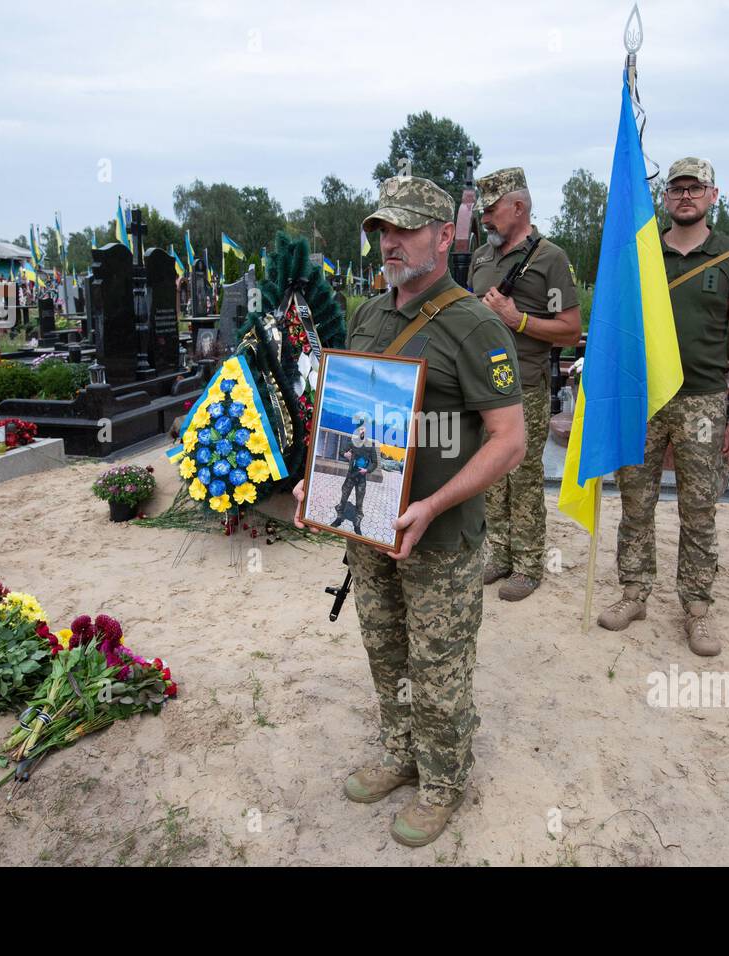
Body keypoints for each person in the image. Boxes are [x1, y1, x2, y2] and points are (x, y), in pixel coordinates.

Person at [293, 175, 524, 848]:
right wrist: (319, 479)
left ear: (445, 236)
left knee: (439, 664)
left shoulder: (475, 326)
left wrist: (432, 504)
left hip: (441, 536)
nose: (389, 243)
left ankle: (444, 780)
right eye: (382, 231)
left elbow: (509, 440)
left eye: (404, 230)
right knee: (387, 651)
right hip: (368, 525)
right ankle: (401, 752)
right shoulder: (370, 315)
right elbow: (350, 414)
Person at [598, 158, 729, 656]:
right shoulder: (641, 253)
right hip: (642, 398)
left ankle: (697, 607)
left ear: (714, 195)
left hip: (703, 400)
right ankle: (634, 591)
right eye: (677, 189)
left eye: (696, 188)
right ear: (665, 198)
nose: (685, 196)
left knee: (699, 509)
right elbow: (617, 322)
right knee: (635, 504)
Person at [467, 167, 582, 602]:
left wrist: (519, 319)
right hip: (483, 385)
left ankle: (530, 563)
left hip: (525, 386)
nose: (486, 219)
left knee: (524, 474)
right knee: (492, 474)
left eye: (492, 210)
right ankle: (498, 551)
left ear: (518, 207)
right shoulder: (481, 257)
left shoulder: (550, 258)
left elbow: (571, 329)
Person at [331, 413, 379, 535]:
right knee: (344, 498)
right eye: (360, 428)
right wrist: (345, 454)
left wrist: (367, 470)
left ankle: (357, 523)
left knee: (359, 502)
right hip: (350, 477)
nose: (361, 430)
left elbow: (375, 462)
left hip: (361, 479)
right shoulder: (353, 442)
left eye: (364, 428)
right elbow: (342, 450)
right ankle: (339, 517)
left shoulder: (370, 446)